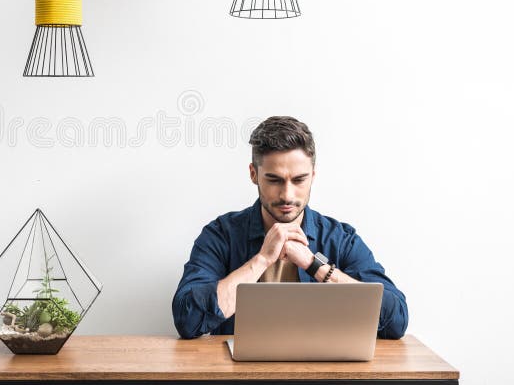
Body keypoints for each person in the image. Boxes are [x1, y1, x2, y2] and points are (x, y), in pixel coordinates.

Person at [172, 116, 408, 340]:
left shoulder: (340, 239)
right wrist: (262, 259)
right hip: (237, 376)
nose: (287, 195)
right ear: (254, 174)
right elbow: (187, 319)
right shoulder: (221, 235)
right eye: (274, 180)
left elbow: (396, 319)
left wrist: (314, 265)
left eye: (298, 180)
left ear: (313, 176)